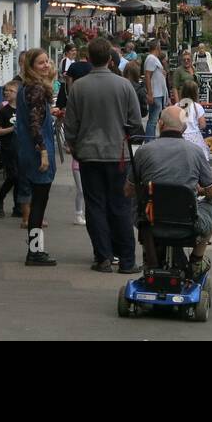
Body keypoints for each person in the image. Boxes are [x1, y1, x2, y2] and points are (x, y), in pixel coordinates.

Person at [63, 38, 144, 273]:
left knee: (95, 205)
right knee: (120, 206)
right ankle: (127, 260)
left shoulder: (78, 87)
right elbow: (136, 122)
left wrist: (76, 147)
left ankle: (103, 257)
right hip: (118, 155)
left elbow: (70, 125)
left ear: (88, 59)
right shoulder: (124, 86)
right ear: (110, 59)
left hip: (89, 155)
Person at [125, 108, 212, 276]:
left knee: (139, 199)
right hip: (188, 222)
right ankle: (197, 259)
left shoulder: (143, 151)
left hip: (151, 220)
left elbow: (128, 191)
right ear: (183, 128)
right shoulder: (195, 151)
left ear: (160, 124)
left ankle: (150, 256)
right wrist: (199, 190)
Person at [17, 49, 58, 266]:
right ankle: (35, 251)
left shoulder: (26, 87)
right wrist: (43, 151)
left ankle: (36, 249)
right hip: (38, 151)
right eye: (41, 63)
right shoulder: (36, 90)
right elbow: (34, 124)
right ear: (31, 66)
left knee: (38, 201)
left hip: (26, 150)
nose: (46, 65)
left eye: (47, 61)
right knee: (40, 203)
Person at [0, 80, 21, 218]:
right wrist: (12, 129)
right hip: (8, 147)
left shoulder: (22, 109)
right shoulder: (4, 111)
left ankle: (17, 207)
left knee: (19, 177)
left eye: (11, 91)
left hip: (20, 147)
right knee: (13, 176)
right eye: (5, 91)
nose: (7, 93)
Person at [175, 81, 210, 162]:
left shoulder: (177, 106)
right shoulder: (197, 107)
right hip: (195, 137)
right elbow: (202, 125)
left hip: (180, 136)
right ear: (195, 93)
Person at [143, 41, 169, 138]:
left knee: (158, 119)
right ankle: (149, 140)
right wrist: (150, 93)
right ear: (157, 47)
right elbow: (147, 75)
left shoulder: (154, 59)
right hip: (156, 94)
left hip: (159, 94)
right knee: (153, 120)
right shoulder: (151, 59)